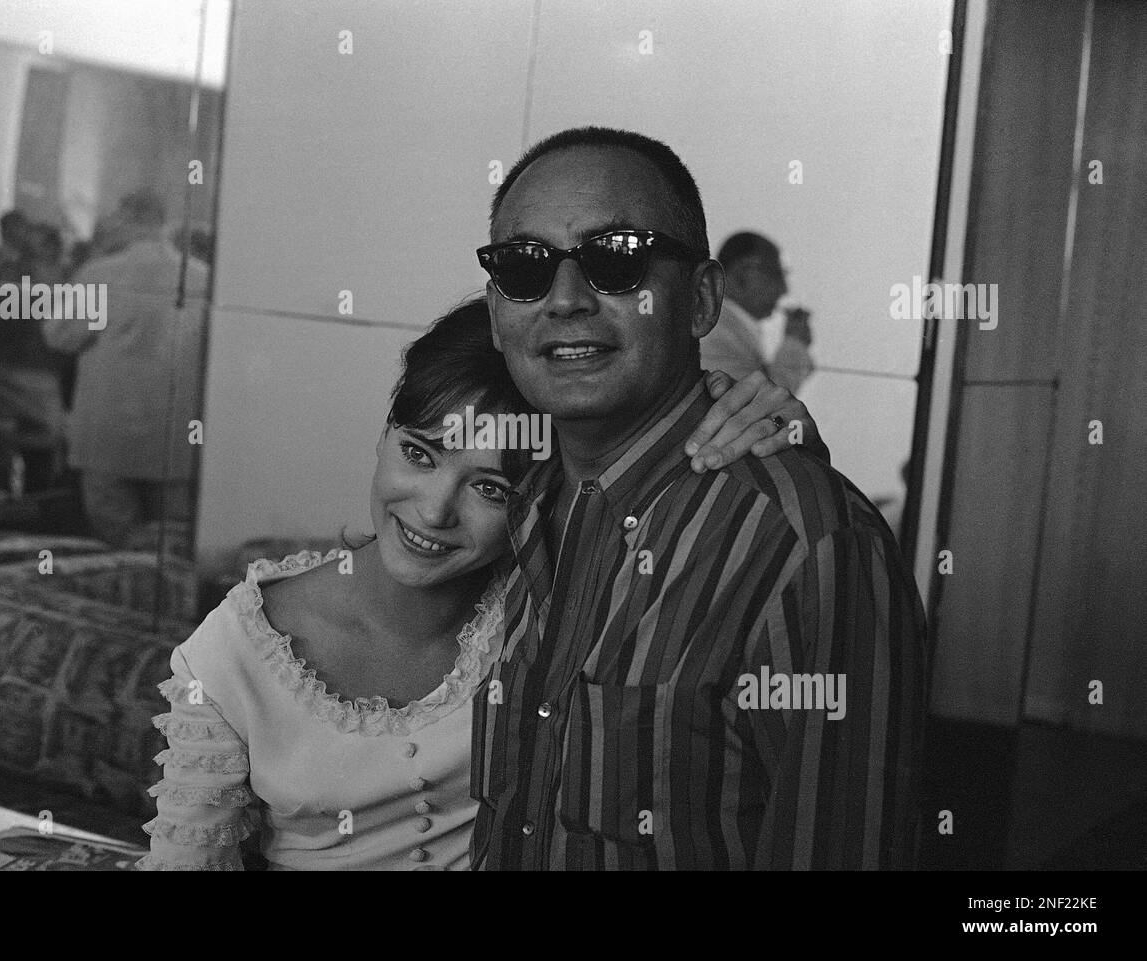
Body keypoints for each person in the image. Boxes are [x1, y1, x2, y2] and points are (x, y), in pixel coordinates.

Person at [138, 297, 824, 870]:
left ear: (539, 498)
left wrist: (784, 438)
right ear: (382, 438)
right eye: (418, 452)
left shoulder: (555, 606)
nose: (434, 509)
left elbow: (717, 538)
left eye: (490, 486)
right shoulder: (235, 651)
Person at [471, 126, 926, 870]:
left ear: (701, 299)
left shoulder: (805, 545)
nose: (564, 299)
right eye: (525, 267)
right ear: (496, 312)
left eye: (615, 259)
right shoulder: (516, 516)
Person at [42, 189, 207, 548]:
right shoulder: (201, 278)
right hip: (175, 436)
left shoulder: (102, 273)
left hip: (108, 434)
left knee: (114, 543)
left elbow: (59, 334)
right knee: (172, 543)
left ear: (125, 217)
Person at [700, 231, 814, 393]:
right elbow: (759, 404)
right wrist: (794, 344)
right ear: (743, 273)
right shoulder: (715, 334)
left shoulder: (728, 328)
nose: (784, 289)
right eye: (776, 274)